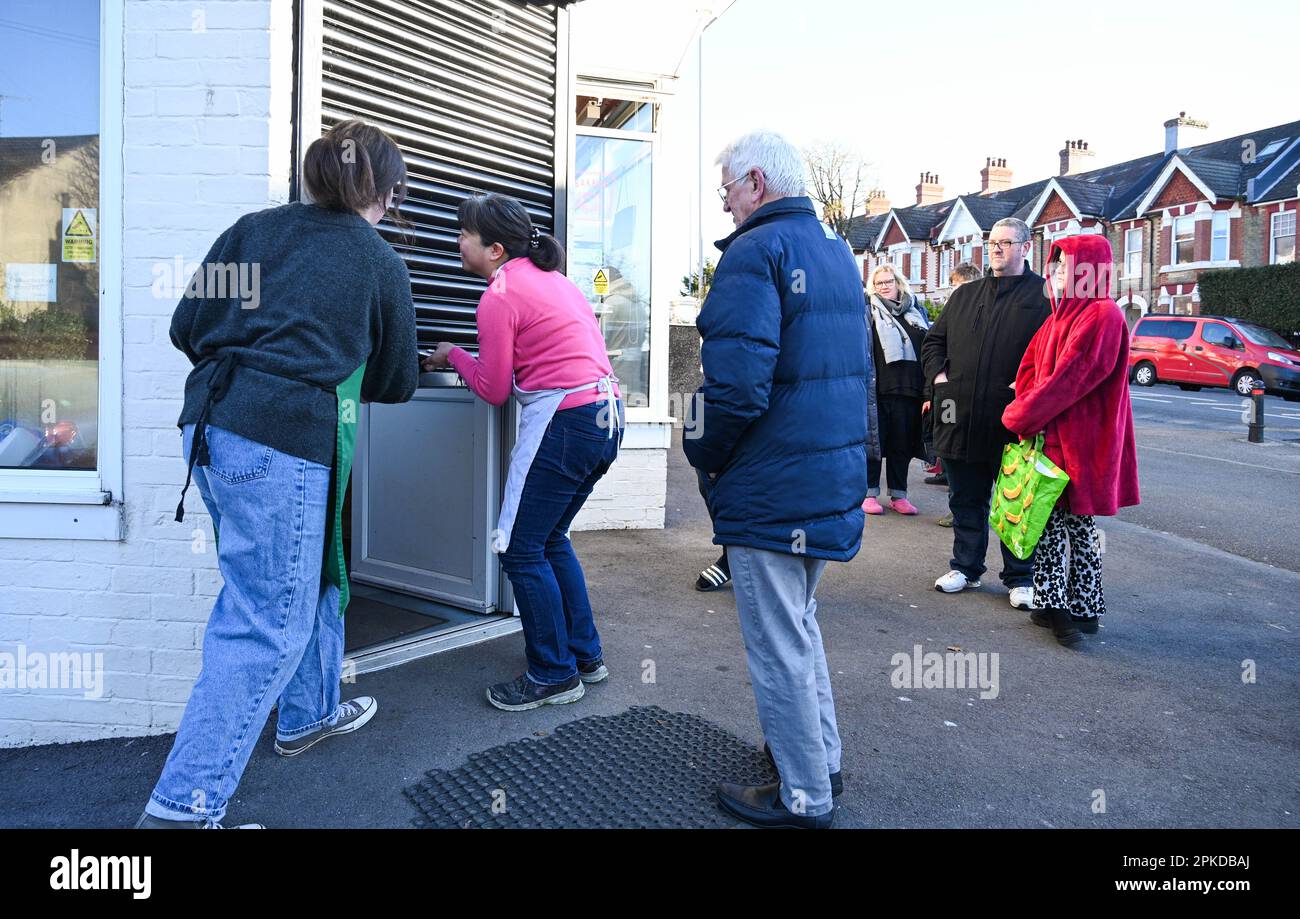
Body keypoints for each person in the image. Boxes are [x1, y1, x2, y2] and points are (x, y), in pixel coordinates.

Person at [138, 119, 419, 828]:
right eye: (394, 192)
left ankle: (309, 711)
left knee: (294, 585)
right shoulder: (377, 261)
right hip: (283, 446)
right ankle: (181, 811)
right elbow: (395, 380)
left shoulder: (250, 231)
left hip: (208, 429)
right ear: (381, 190)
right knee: (264, 623)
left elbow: (185, 324)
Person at [685, 129, 874, 829]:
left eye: (727, 189)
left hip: (771, 487)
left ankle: (804, 797)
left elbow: (732, 391)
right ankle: (820, 761)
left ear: (756, 183)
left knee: (778, 645)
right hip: (824, 480)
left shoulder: (755, 252)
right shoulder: (832, 254)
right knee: (801, 629)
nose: (726, 204)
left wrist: (699, 448)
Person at [423, 193, 624, 712]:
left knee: (518, 547)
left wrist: (452, 356)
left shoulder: (500, 296)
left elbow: (492, 386)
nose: (456, 242)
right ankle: (584, 657)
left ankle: (553, 675)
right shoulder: (558, 282)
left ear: (493, 249)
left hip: (568, 423)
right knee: (551, 538)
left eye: (464, 233)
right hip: (606, 420)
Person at [1002, 235, 1139, 645]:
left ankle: (1077, 612)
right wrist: (1027, 399)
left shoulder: (1102, 314)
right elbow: (1029, 367)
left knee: (1078, 527)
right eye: (1057, 266)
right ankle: (1052, 604)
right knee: (1047, 523)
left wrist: (1020, 413)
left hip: (1082, 443)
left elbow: (1071, 380)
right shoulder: (1059, 317)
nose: (1058, 274)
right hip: (1052, 440)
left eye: (1066, 267)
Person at [921, 217, 1049, 610]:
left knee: (1016, 504)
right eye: (993, 242)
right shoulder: (965, 295)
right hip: (958, 415)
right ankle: (966, 567)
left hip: (1013, 421)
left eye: (1007, 243)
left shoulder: (1044, 297)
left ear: (1026, 248)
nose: (997, 249)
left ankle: (1020, 578)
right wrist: (941, 378)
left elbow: (1054, 354)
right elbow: (933, 341)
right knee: (965, 498)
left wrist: (1026, 386)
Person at [863, 263, 929, 516]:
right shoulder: (868, 312)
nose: (884, 286)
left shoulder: (916, 312)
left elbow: (928, 347)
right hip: (877, 389)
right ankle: (869, 493)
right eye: (879, 283)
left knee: (903, 443)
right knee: (874, 444)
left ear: (898, 282)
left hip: (910, 389)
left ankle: (899, 495)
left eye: (888, 281)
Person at [928, 262, 983, 527]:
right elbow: (934, 341)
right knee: (948, 444)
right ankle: (955, 502)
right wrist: (939, 380)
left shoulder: (982, 307)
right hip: (949, 393)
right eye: (953, 285)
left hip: (973, 394)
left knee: (970, 454)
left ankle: (964, 504)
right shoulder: (953, 309)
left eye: (959, 285)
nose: (955, 290)